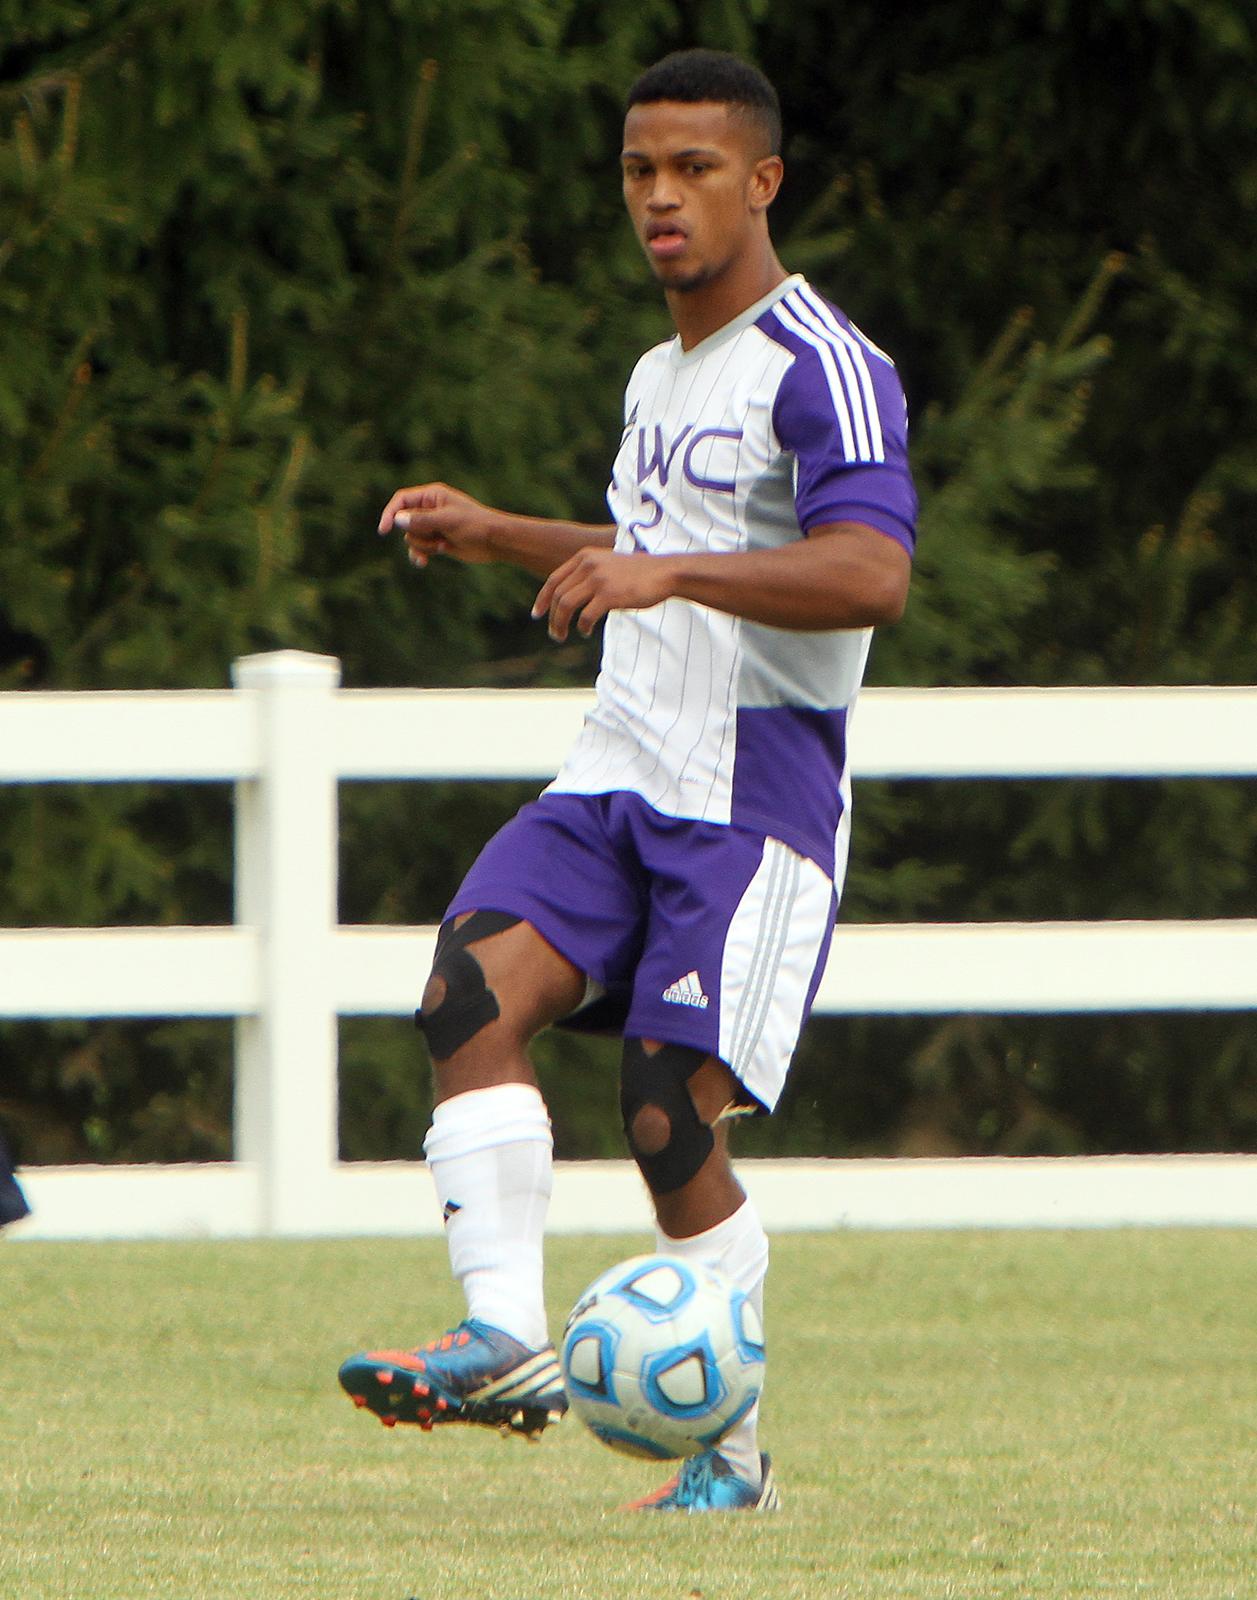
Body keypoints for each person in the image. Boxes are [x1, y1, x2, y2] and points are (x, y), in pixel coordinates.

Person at [339, 47, 917, 1513]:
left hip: (751, 802)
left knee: (666, 1119)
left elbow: (872, 572)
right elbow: (638, 555)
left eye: (693, 170)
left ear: (761, 181)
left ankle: (731, 1465)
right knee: (466, 995)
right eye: (636, 173)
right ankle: (505, 1340)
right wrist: (503, 534)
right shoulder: (656, 374)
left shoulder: (823, 366)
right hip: (616, 777)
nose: (658, 200)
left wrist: (660, 570)